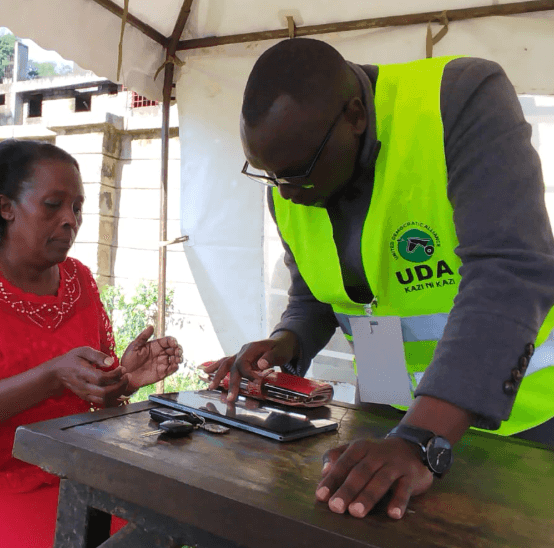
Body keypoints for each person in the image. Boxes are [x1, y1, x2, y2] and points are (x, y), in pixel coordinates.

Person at [205, 38, 554, 520]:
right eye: (269, 175)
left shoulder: (459, 98)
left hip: (526, 431)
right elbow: (317, 292)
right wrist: (287, 341)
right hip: (390, 428)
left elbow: (511, 270)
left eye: (297, 173)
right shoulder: (291, 177)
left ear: (355, 116)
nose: (286, 192)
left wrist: (419, 438)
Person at [0, 139, 183, 547]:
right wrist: (51, 375)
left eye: (77, 208)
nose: (69, 220)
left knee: (162, 530)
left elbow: (87, 397)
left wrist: (124, 379)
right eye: (53, 204)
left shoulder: (78, 279)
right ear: (6, 206)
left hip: (65, 470)